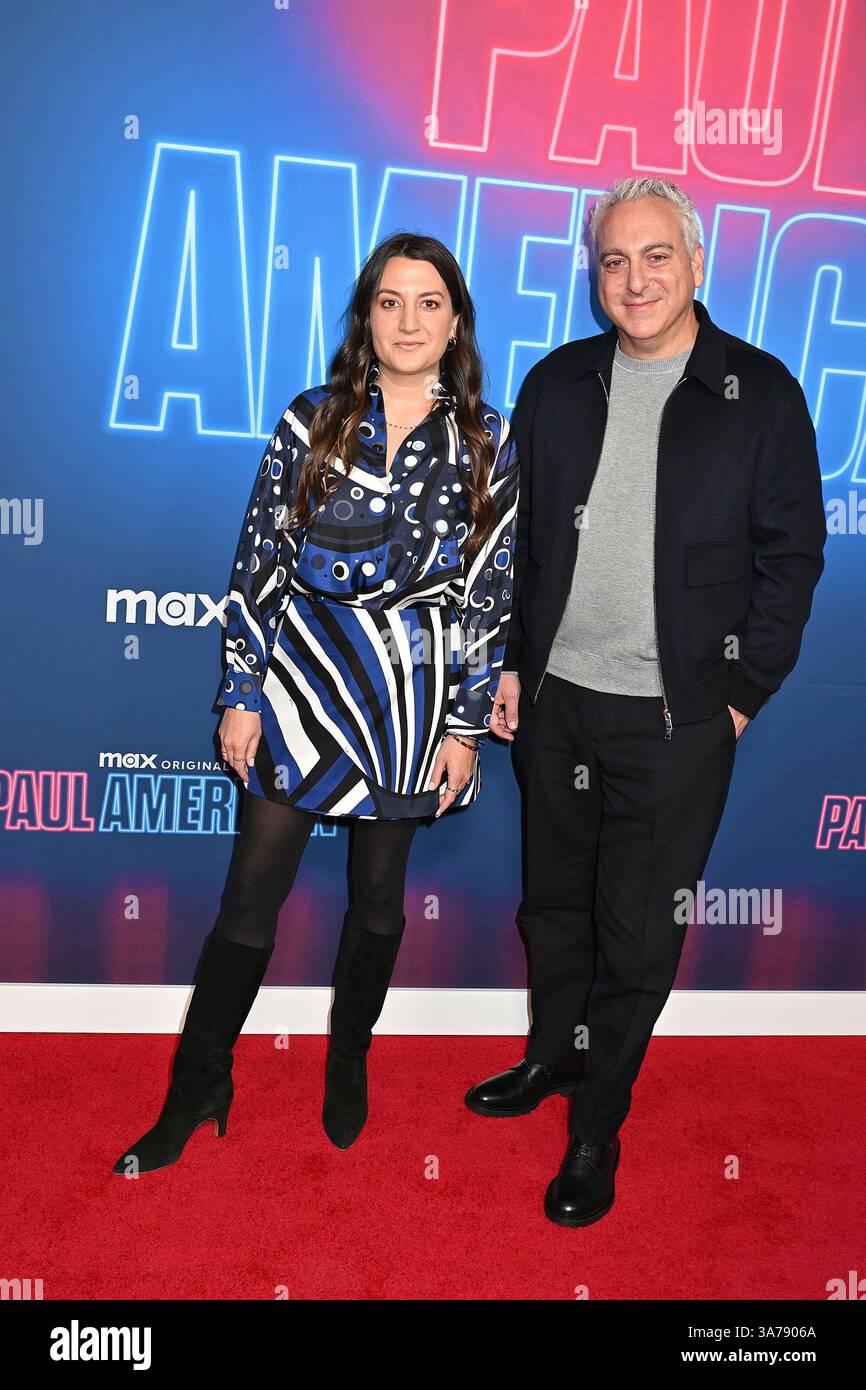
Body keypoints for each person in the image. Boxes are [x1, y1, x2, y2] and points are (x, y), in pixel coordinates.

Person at [112, 232, 519, 1175]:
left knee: (378, 896)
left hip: (412, 698)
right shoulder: (312, 421)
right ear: (365, 318)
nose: (408, 321)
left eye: (428, 302)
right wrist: (241, 692)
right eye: (389, 301)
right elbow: (258, 565)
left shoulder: (488, 443)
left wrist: (465, 727)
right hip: (300, 682)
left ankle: (348, 1056)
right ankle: (198, 1084)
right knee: (249, 895)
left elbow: (487, 597)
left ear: (456, 320)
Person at [466, 176, 826, 1227]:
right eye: (613, 260)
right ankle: (553, 1058)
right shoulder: (556, 384)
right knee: (552, 907)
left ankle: (595, 1127)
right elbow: (516, 546)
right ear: (595, 275)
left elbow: (790, 560)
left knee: (634, 934)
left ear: (696, 264)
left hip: (675, 723)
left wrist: (736, 700)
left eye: (654, 255)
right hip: (554, 704)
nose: (633, 278)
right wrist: (505, 666)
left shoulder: (756, 394)